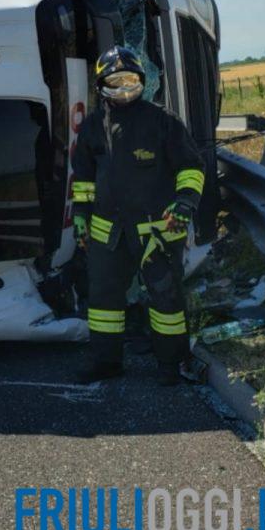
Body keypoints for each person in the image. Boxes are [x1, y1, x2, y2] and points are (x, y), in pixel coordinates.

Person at [71, 45, 205, 386]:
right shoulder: (90, 129)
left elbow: (191, 168)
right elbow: (83, 177)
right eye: (116, 82)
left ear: (142, 81)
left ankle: (170, 364)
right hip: (106, 232)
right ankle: (106, 362)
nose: (124, 88)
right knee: (103, 301)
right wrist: (81, 215)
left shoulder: (163, 122)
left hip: (156, 231)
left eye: (130, 80)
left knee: (166, 300)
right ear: (102, 86)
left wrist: (185, 202)